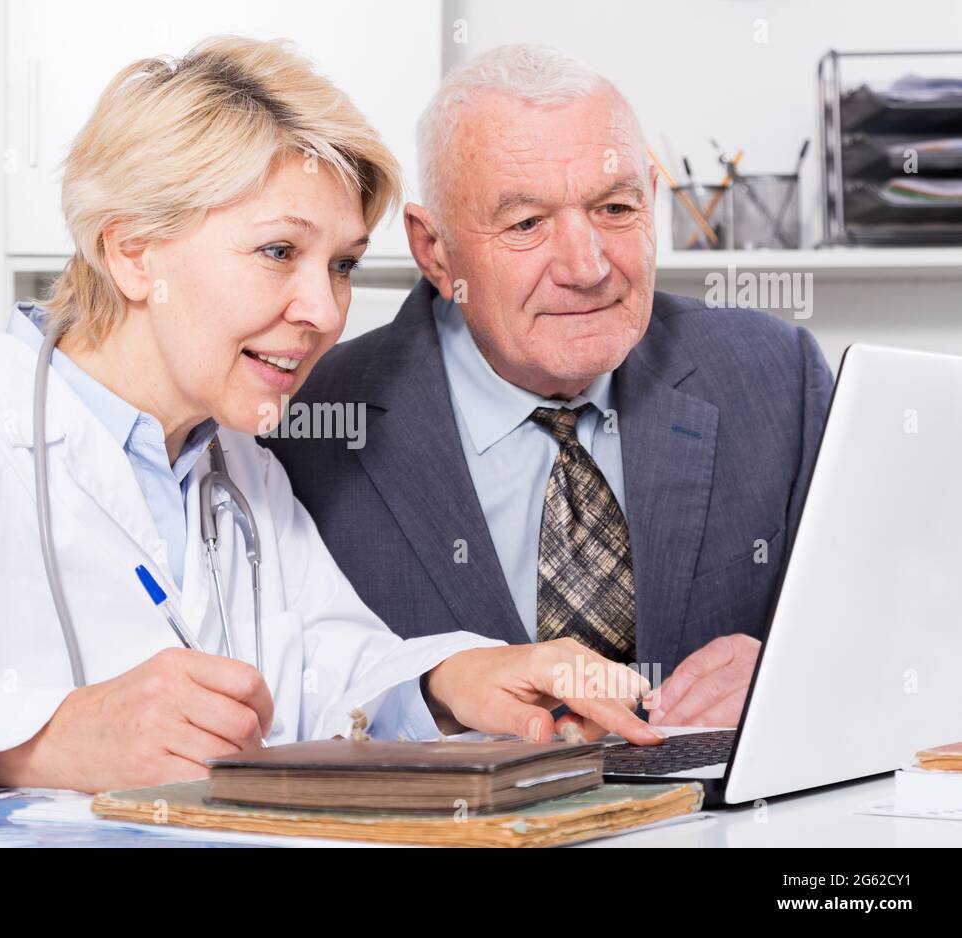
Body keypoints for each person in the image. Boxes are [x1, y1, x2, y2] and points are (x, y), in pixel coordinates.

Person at [0, 37, 661, 803]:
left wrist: (455, 677)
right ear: (132, 253)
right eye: (279, 251)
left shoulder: (238, 465)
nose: (323, 308)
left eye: (343, 263)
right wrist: (35, 737)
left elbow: (326, 666)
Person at [264, 44, 835, 729]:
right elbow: (280, 702)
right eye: (527, 223)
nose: (587, 266)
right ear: (435, 250)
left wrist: (798, 668)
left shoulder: (774, 376)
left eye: (616, 209)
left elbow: (899, 613)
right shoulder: (301, 420)